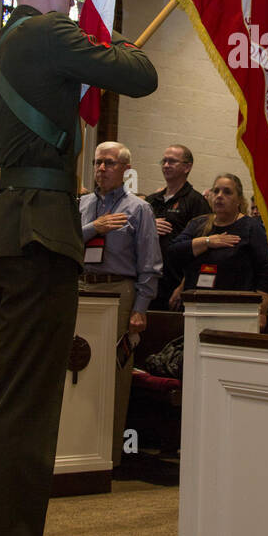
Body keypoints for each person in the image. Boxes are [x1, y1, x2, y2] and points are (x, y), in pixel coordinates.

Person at [0, 0, 158, 536]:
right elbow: (141, 75)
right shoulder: (49, 31)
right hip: (39, 233)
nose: (72, 1)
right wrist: (120, 41)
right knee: (26, 404)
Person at [79, 141, 162, 465]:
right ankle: (79, 450)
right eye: (98, 162)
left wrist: (140, 309)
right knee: (78, 368)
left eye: (109, 163)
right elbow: (65, 240)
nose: (101, 169)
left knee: (114, 373)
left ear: (126, 169)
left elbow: (150, 264)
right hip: (83, 288)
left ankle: (109, 456)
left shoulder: (138, 209)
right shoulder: (83, 204)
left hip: (119, 291)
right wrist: (93, 228)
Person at [167, 173, 268, 328]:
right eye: (216, 191)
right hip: (196, 307)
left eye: (227, 192)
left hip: (234, 309)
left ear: (239, 199)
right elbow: (173, 252)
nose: (219, 196)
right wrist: (207, 241)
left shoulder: (251, 227)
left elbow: (267, 270)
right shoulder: (199, 223)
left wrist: (261, 311)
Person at [146, 144, 210, 310]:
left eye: (172, 161)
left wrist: (183, 286)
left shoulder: (196, 202)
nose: (166, 165)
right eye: (164, 161)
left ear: (187, 167)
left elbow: (202, 249)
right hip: (149, 280)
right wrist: (149, 227)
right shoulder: (151, 201)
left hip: (176, 280)